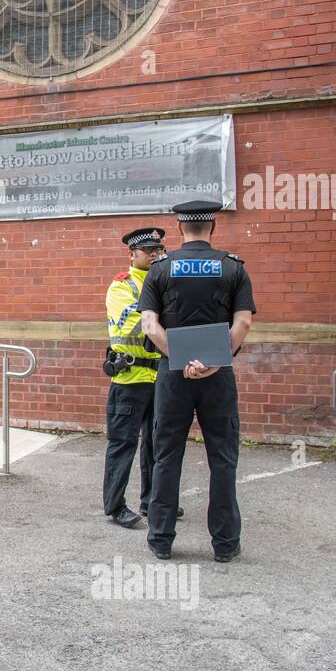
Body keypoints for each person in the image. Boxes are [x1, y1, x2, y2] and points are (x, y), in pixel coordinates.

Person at [138, 200, 255, 563]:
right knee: (222, 457)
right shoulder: (233, 267)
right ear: (213, 228)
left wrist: (179, 358)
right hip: (218, 379)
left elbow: (149, 325)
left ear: (179, 228)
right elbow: (244, 323)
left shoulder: (160, 269)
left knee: (167, 455)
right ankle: (224, 543)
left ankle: (160, 539)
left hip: (173, 376)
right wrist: (214, 362)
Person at [102, 226, 182, 527]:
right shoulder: (122, 286)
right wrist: (166, 318)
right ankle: (114, 506)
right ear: (131, 254)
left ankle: (152, 501)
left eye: (158, 249)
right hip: (130, 378)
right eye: (147, 250)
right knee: (123, 443)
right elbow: (131, 325)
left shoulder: (165, 281)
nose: (154, 254)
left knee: (156, 443)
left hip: (160, 377)